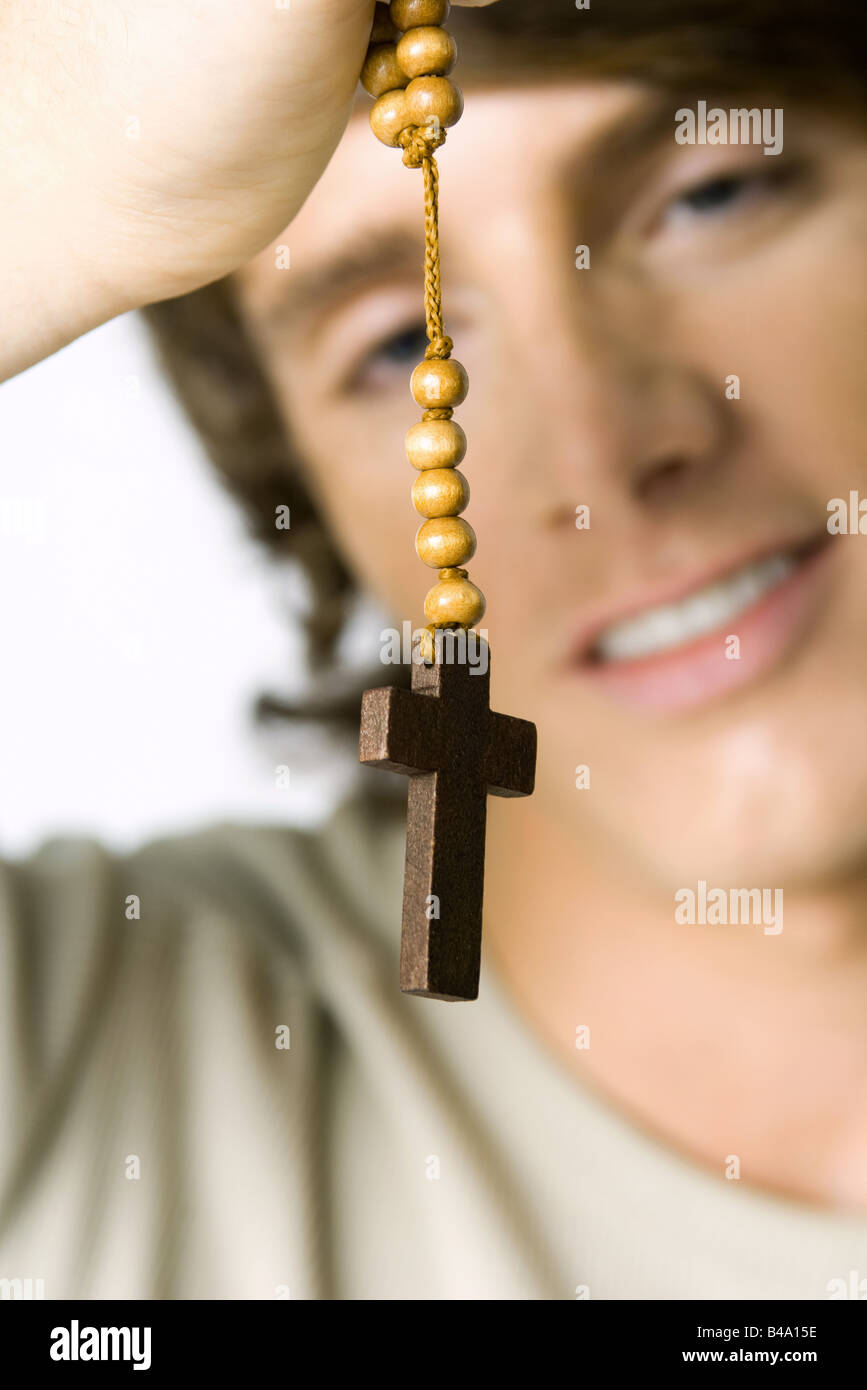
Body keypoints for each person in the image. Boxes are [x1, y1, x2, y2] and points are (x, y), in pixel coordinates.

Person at [3, 0, 867, 1300]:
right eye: (400, 344)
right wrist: (44, 147)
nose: (597, 462)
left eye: (712, 198)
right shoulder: (80, 1077)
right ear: (296, 475)